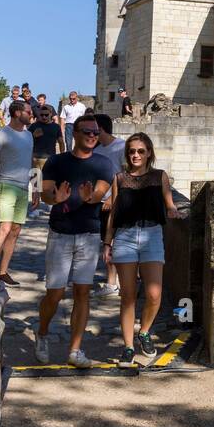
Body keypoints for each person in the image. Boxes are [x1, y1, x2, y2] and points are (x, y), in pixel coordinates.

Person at [35, 114, 113, 368]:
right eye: (87, 132)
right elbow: (46, 194)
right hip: (60, 234)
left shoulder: (103, 164)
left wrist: (91, 198)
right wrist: (55, 198)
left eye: (95, 132)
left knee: (82, 292)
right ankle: (43, 333)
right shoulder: (57, 162)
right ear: (75, 134)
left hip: (89, 234)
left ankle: (75, 350)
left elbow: (98, 195)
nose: (92, 136)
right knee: (55, 294)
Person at [105, 132, 179, 364]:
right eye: (132, 151)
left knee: (154, 294)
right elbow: (114, 212)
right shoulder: (119, 178)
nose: (136, 155)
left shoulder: (159, 177)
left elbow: (169, 204)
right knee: (127, 295)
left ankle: (144, 331)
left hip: (152, 235)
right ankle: (128, 347)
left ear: (149, 153)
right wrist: (107, 242)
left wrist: (174, 211)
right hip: (125, 236)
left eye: (140, 151)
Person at [0, 98, 32, 285]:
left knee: (16, 231)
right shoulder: (1, 135)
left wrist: (36, 189)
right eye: (28, 111)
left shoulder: (28, 136)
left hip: (23, 188)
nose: (31, 114)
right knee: (5, 228)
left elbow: (31, 164)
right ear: (17, 113)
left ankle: (3, 271)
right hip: (6, 186)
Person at [91, 113, 125, 297]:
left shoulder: (121, 147)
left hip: (117, 203)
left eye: (93, 130)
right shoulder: (96, 150)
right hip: (100, 203)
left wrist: (113, 198)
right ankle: (112, 283)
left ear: (101, 129)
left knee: (117, 242)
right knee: (107, 242)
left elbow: (127, 176)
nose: (91, 134)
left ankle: (119, 283)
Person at [27, 104, 65, 215]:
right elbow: (27, 142)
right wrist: (33, 136)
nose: (43, 117)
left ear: (50, 115)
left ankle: (50, 204)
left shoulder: (56, 127)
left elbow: (61, 142)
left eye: (46, 115)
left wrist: (62, 156)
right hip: (35, 158)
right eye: (41, 115)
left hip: (50, 159)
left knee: (49, 184)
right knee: (35, 185)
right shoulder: (34, 126)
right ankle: (35, 208)